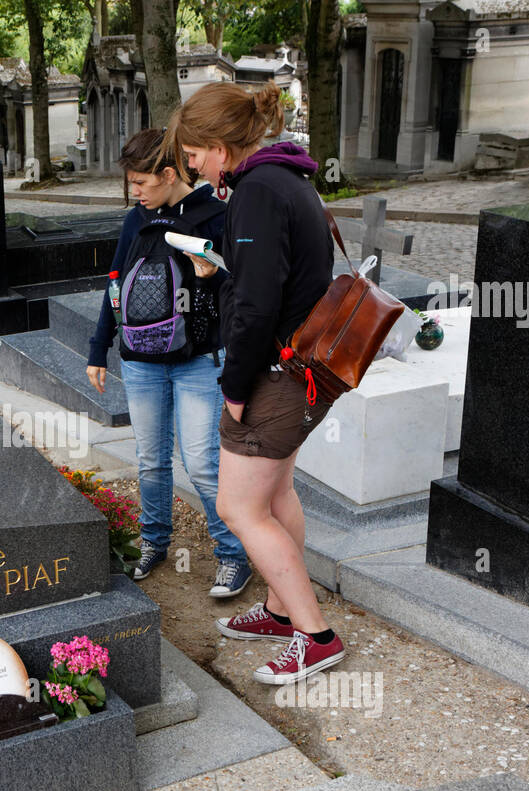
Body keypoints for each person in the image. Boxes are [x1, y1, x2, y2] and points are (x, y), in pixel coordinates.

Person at [165, 84, 344, 686]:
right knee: (273, 498)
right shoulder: (285, 178)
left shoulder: (258, 192)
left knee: (237, 506)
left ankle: (314, 636)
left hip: (274, 373)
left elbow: (259, 306)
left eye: (193, 153)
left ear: (219, 147)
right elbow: (275, 279)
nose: (190, 164)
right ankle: (278, 608)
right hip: (303, 368)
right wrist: (222, 270)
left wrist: (236, 386)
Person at [86, 128, 252, 599]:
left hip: (198, 360)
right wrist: (99, 346)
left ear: (169, 173)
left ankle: (232, 555)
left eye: (142, 182)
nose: (134, 192)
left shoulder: (216, 217)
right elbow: (115, 282)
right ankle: (154, 543)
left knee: (201, 464)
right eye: (130, 184)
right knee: (151, 461)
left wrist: (212, 276)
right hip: (140, 360)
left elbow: (239, 294)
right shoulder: (134, 220)